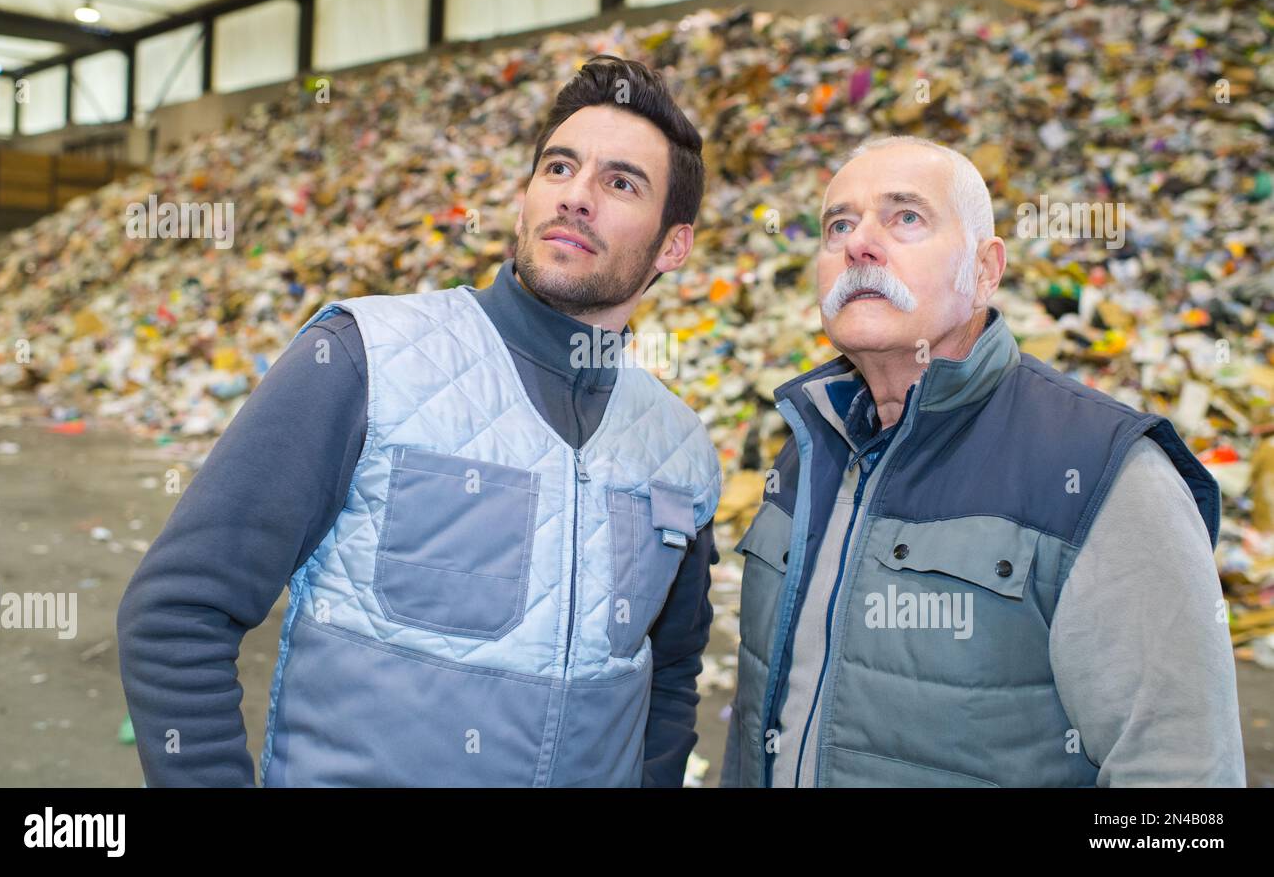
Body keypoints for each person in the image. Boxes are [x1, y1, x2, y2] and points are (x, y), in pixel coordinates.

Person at [118, 54, 723, 787]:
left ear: (674, 244)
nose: (576, 197)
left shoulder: (680, 452)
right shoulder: (365, 360)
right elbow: (177, 613)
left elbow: (671, 674)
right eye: (558, 169)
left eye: (620, 182)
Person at [721, 135, 1244, 787]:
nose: (860, 243)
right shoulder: (807, 452)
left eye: (906, 216)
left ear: (987, 269)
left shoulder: (1103, 473)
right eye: (838, 225)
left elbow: (1183, 787)